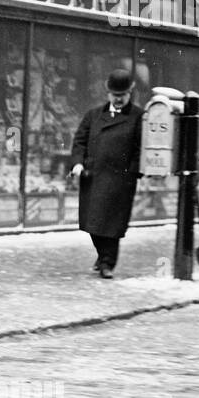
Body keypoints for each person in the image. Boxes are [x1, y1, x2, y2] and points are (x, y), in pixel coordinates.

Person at [70, 69, 143, 278]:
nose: (118, 99)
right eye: (114, 95)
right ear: (108, 94)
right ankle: (103, 256)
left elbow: (141, 148)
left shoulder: (138, 117)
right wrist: (77, 163)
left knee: (112, 225)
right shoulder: (94, 115)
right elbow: (80, 141)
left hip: (120, 180)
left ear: (130, 93)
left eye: (123, 95)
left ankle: (107, 264)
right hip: (93, 177)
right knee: (93, 224)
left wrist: (133, 173)